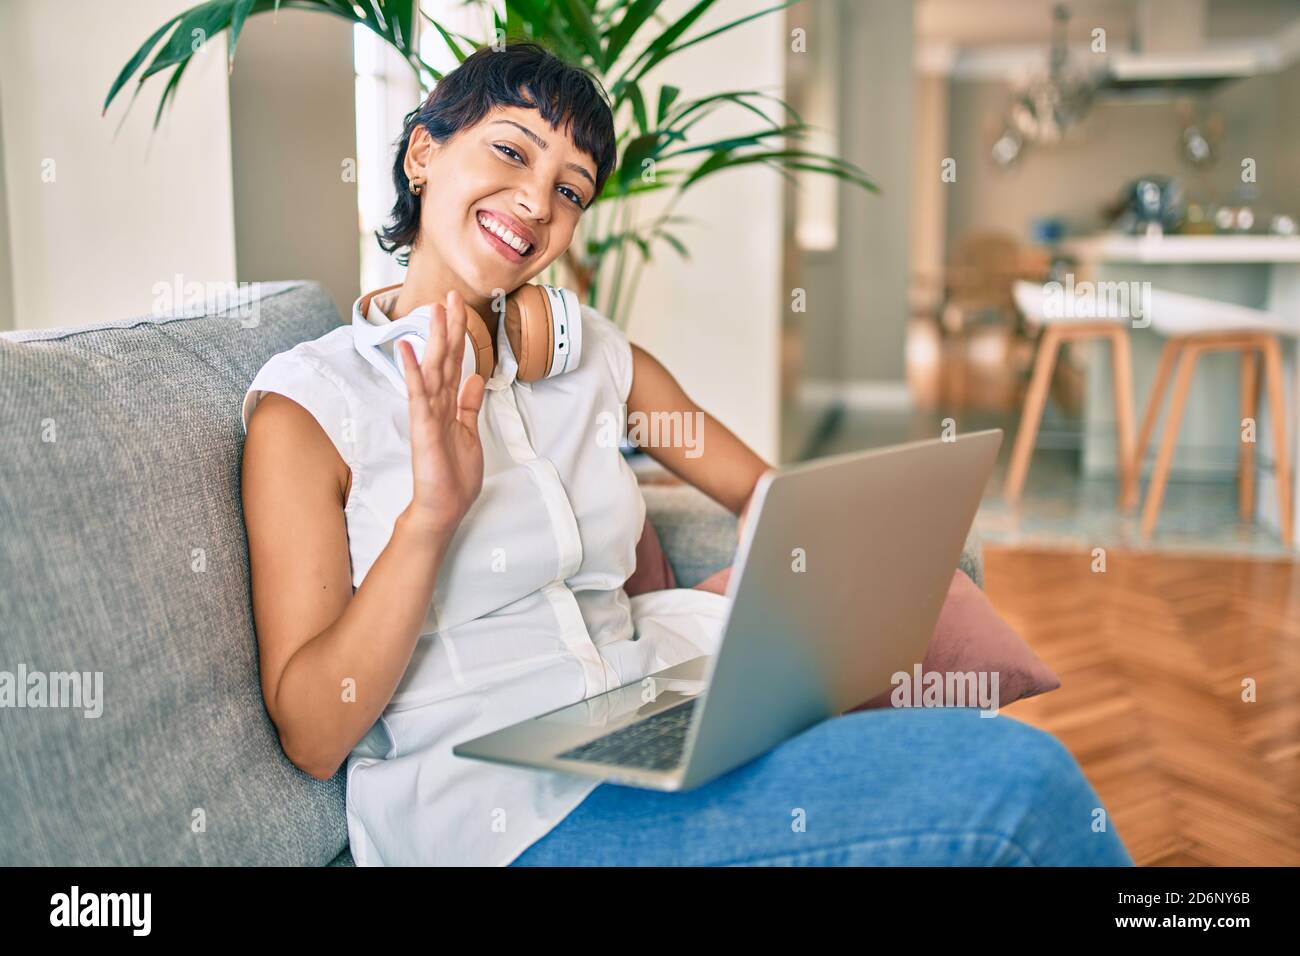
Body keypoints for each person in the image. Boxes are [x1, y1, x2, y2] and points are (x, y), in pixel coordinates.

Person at [239, 41, 1132, 867]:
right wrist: (431, 517)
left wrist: (797, 590)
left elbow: (763, 493)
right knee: (1018, 788)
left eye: (571, 190)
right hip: (499, 814)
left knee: (976, 757)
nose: (537, 204)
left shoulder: (585, 357)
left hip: (654, 720)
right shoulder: (311, 406)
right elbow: (315, 735)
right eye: (510, 151)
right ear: (422, 153)